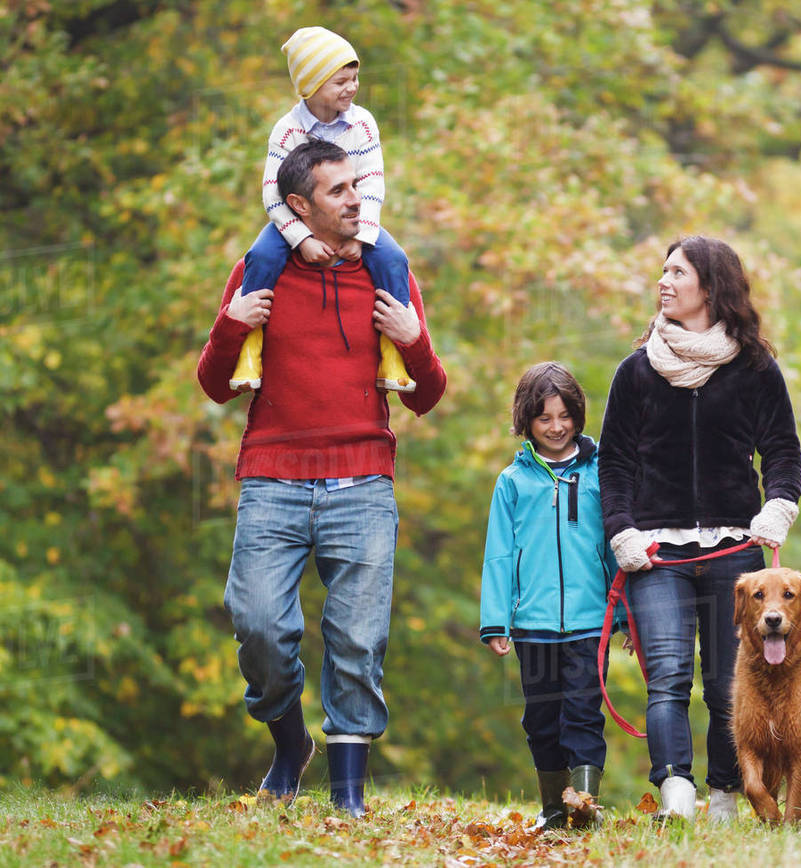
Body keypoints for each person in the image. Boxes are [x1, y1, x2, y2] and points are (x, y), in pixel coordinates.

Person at [197, 139, 447, 817]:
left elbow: (427, 395)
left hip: (363, 480)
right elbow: (215, 385)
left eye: (356, 185)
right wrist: (230, 326)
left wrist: (414, 339)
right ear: (299, 205)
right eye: (338, 190)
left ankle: (348, 799)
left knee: (358, 641)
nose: (356, 198)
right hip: (272, 478)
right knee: (256, 625)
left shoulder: (387, 274)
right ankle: (287, 742)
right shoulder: (260, 270)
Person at [598, 235, 801, 823]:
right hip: (654, 554)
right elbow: (612, 464)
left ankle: (723, 795)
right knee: (666, 679)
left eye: (677, 273)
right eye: (662, 272)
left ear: (710, 288)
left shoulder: (756, 370)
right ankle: (675, 791)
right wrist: (623, 532)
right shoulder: (635, 371)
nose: (663, 282)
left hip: (735, 551)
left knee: (725, 685)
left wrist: (779, 504)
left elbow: (783, 452)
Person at [228, 26, 415, 394]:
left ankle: (393, 351)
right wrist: (300, 239)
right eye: (340, 81)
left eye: (355, 77)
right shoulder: (287, 131)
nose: (352, 87)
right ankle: (250, 347)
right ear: (311, 87)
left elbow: (373, 182)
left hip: (355, 219)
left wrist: (362, 234)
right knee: (261, 256)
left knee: (393, 259)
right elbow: (273, 194)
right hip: (293, 221)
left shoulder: (362, 124)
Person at [479, 362, 621, 830]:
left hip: (589, 624)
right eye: (544, 418)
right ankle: (554, 811)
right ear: (527, 420)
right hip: (533, 626)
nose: (556, 427)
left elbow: (617, 547)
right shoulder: (512, 482)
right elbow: (499, 555)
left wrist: (626, 617)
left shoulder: (603, 473)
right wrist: (496, 621)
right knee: (541, 722)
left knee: (582, 716)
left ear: (578, 415)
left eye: (564, 416)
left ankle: (584, 805)